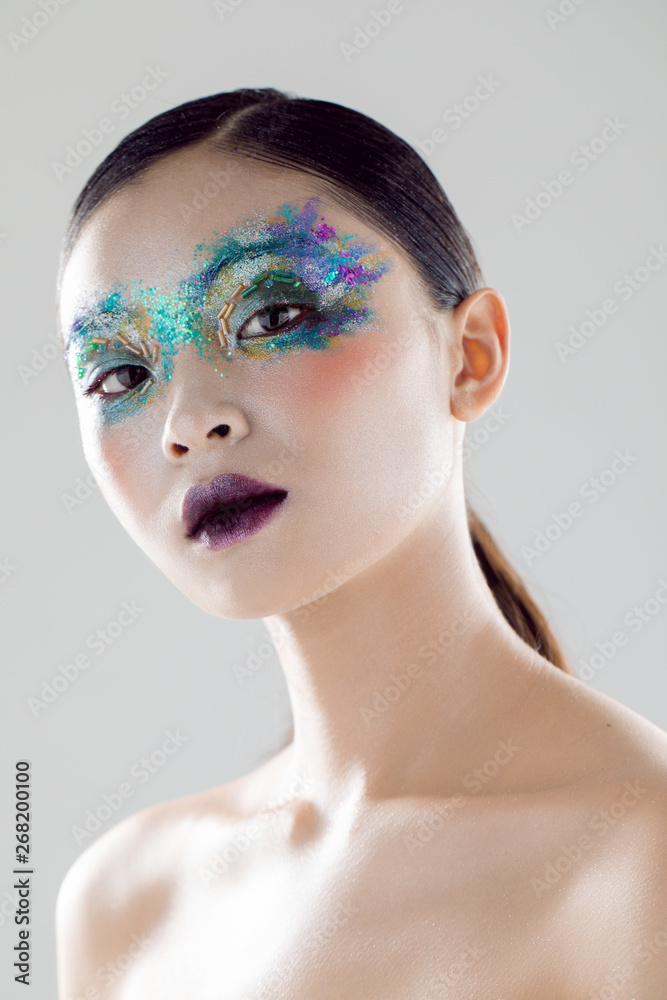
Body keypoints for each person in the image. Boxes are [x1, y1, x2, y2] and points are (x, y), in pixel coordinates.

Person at [55, 88, 667, 999]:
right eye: (121, 372)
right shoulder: (122, 902)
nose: (187, 421)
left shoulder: (639, 862)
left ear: (471, 356)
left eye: (270, 317)